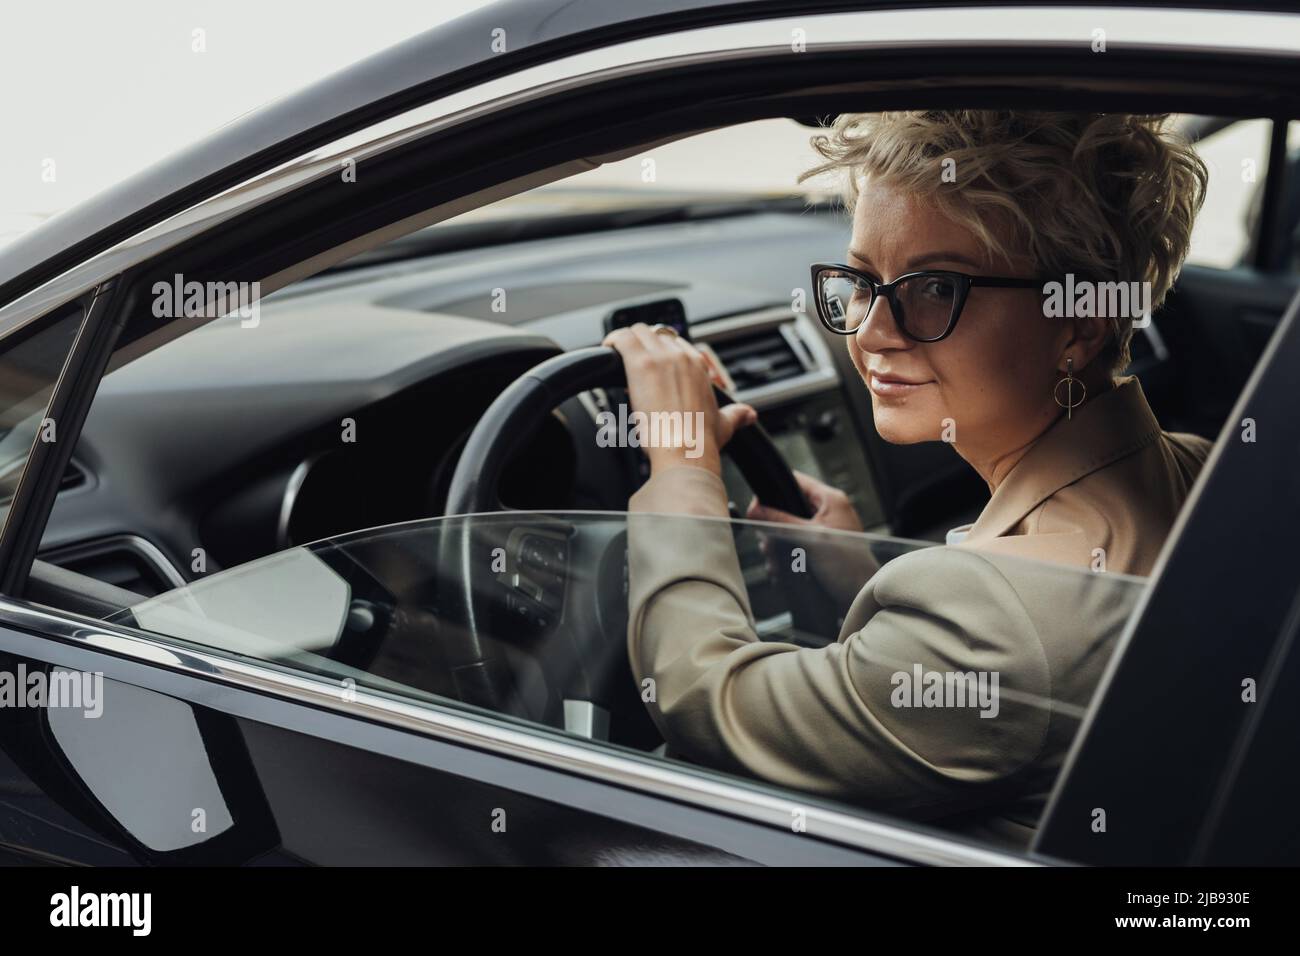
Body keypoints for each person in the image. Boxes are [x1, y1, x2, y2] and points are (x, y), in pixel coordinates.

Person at [603, 111, 1213, 846]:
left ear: (1078, 324)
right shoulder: (1201, 470)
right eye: (861, 281)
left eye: (935, 289)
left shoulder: (993, 618)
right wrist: (862, 571)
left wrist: (681, 463)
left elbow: (707, 705)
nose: (867, 333)